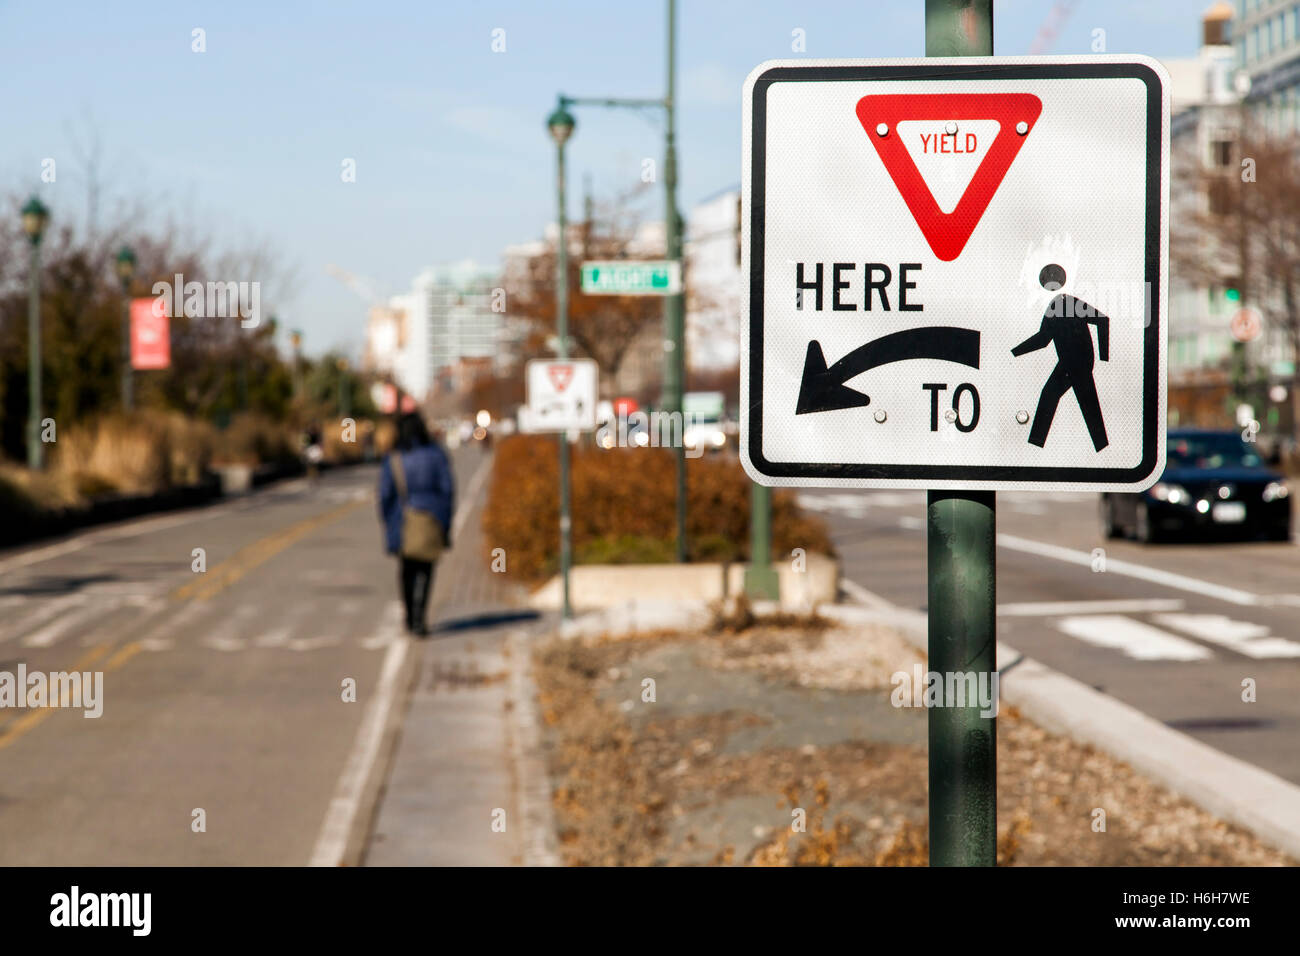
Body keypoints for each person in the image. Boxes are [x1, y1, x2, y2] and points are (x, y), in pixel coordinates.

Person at [1011, 263, 1110, 452]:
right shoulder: (1054, 306)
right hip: (1068, 362)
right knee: (1055, 396)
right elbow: (1043, 339)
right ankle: (1036, 445)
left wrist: (1104, 357)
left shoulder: (1070, 302)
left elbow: (1102, 320)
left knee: (1085, 403)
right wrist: (1015, 352)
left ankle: (1102, 448)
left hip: (1079, 362)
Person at [378, 413, 455, 636]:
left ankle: (410, 616)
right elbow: (448, 490)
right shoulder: (436, 454)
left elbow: (385, 494)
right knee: (426, 569)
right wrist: (445, 519)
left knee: (406, 569)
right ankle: (420, 617)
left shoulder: (394, 457)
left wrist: (388, 520)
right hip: (432, 519)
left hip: (402, 521)